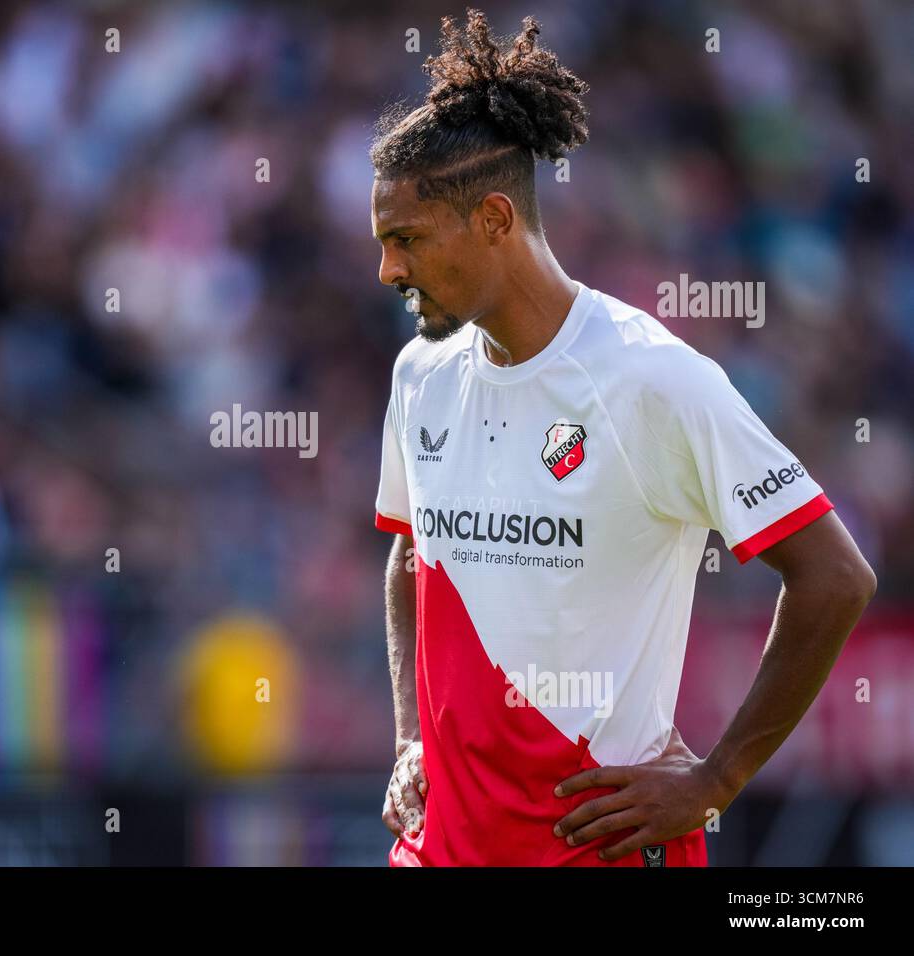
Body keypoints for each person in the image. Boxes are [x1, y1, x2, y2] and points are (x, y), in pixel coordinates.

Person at [370, 10, 876, 866]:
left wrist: (715, 780)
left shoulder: (652, 380)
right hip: (440, 851)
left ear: (495, 219)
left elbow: (835, 577)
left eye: (406, 239)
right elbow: (413, 557)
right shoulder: (421, 376)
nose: (388, 271)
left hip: (599, 849)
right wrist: (410, 736)